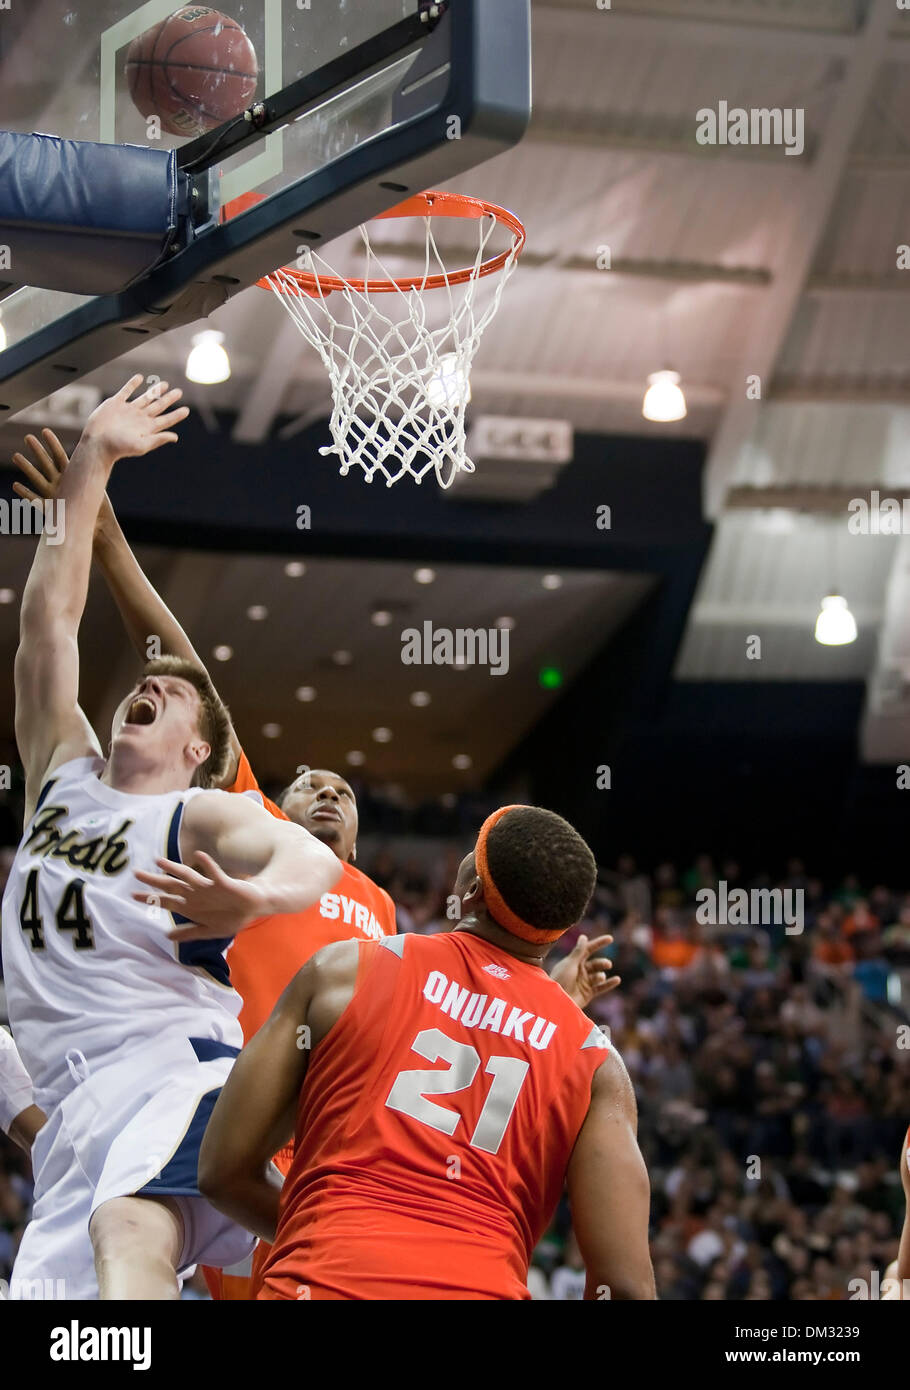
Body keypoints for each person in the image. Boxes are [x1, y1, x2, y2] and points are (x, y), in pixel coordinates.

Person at [12, 425, 621, 1298]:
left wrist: (545, 998)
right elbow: (189, 683)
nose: (326, 792)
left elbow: (449, 1022)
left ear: (364, 840)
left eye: (344, 790)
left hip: (324, 1154)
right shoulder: (233, 816)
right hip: (235, 1131)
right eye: (308, 784)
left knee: (145, 1244)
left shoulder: (386, 922)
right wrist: (106, 543)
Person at [2, 378, 340, 1300]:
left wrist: (256, 898)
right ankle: (343, 1254)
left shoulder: (195, 814)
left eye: (179, 690)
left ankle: (354, 1248)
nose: (151, 683)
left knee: (133, 1238)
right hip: (75, 1115)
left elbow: (306, 857)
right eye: (150, 679)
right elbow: (48, 622)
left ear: (199, 748)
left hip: (170, 1075)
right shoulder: (60, 774)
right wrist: (93, 459)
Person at [199, 804, 656, 1300]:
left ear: (472, 890)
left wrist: (330, 1231)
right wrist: (556, 1006)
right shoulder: (596, 1063)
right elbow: (626, 1287)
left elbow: (223, 1172)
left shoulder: (344, 969)